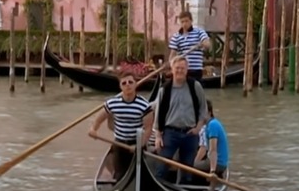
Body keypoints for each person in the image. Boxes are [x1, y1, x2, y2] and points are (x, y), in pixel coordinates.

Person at [89, 71, 153, 181]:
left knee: (142, 176)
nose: (127, 85)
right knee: (119, 175)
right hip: (119, 143)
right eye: (124, 83)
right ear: (120, 86)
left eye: (130, 82)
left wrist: (139, 146)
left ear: (135, 84)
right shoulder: (112, 103)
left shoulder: (145, 105)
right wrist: (93, 129)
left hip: (137, 143)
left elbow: (148, 129)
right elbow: (99, 118)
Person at [154, 55, 209, 183]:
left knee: (187, 170)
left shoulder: (195, 86)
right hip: (170, 133)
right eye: (177, 68)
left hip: (190, 134)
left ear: (187, 69)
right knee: (161, 168)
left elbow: (203, 109)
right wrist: (157, 136)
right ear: (172, 69)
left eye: (182, 68)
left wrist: (198, 128)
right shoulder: (165, 89)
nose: (179, 71)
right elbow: (158, 113)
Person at [168, 11, 211, 81]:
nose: (184, 24)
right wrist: (172, 65)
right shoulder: (176, 36)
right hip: (182, 70)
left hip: (196, 70)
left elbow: (208, 44)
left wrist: (201, 44)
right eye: (182, 22)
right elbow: (172, 55)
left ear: (191, 21)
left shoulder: (199, 32)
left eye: (186, 21)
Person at [193, 100, 229, 182]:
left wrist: (212, 171)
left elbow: (213, 150)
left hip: (218, 164)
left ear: (209, 113)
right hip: (218, 162)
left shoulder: (212, 125)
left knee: (189, 165)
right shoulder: (210, 124)